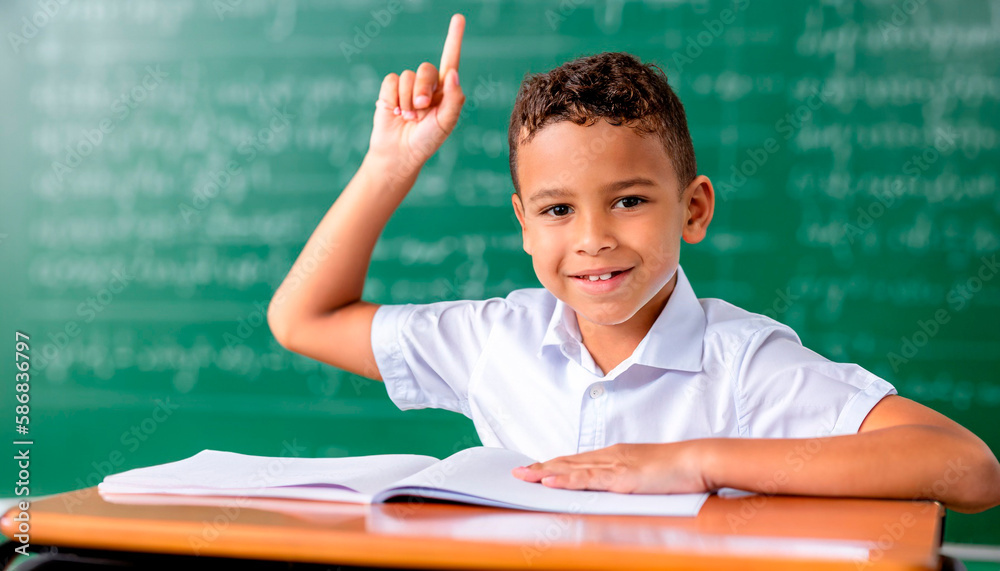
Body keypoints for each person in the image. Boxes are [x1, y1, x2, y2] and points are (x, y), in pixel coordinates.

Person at [266, 13, 1000, 514]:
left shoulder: (741, 364)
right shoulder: (497, 341)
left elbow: (966, 466)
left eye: (628, 200)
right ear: (523, 225)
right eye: (557, 210)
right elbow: (303, 318)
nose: (592, 238)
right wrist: (389, 165)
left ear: (694, 209)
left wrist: (697, 461)